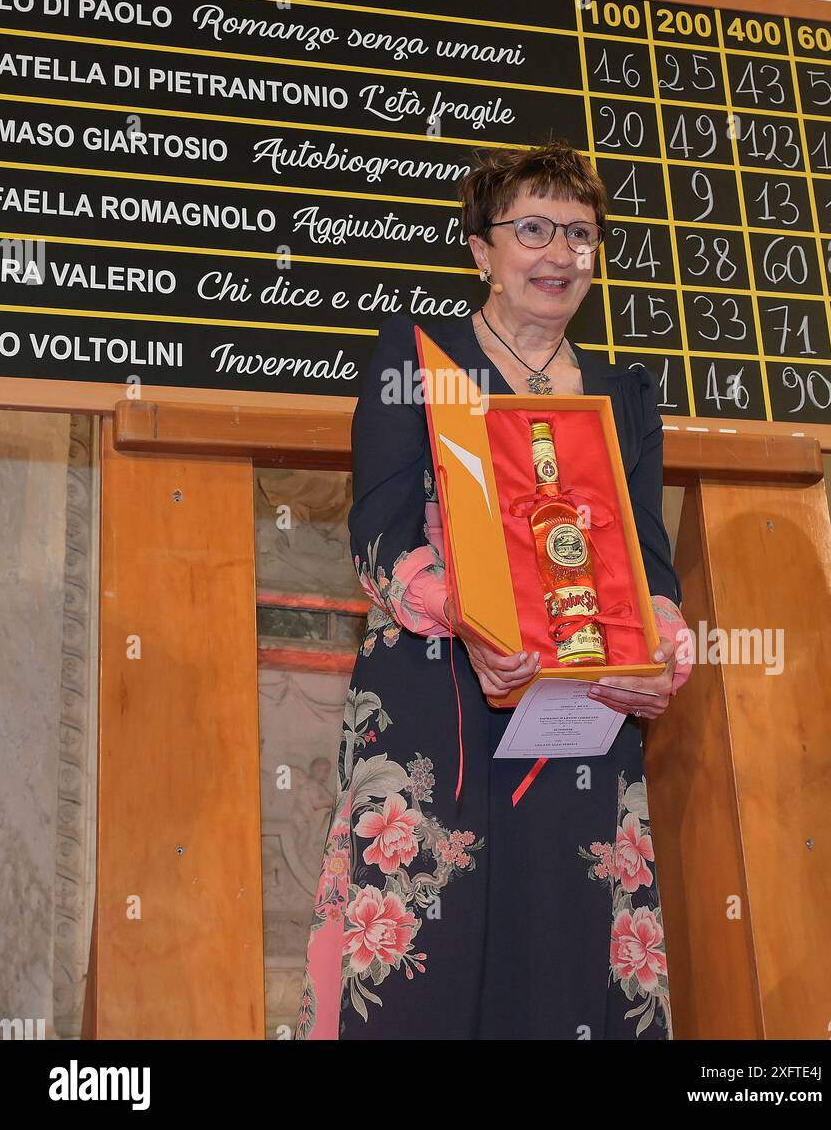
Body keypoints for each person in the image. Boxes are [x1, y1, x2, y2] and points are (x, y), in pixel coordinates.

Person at [294, 140, 693, 1041]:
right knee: (426, 959)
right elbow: (379, 535)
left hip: (582, 709)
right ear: (482, 250)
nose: (560, 254)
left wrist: (662, 649)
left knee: (562, 938)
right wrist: (473, 620)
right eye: (533, 230)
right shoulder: (416, 357)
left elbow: (648, 563)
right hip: (438, 692)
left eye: (580, 234)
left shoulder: (626, 393)